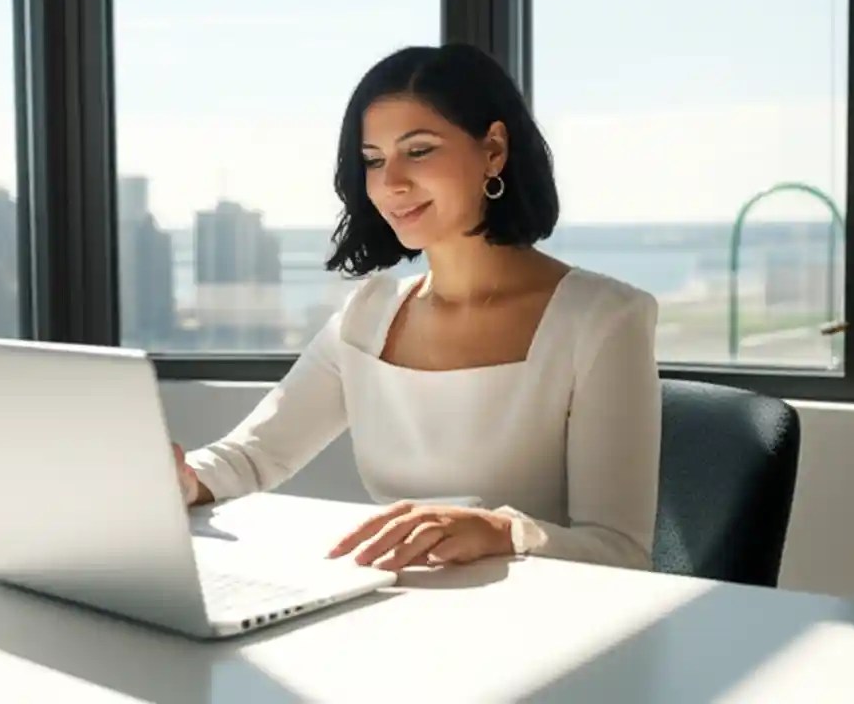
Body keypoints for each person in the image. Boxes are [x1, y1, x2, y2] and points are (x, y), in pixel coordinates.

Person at [173, 43, 660, 572]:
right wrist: (182, 481)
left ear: (493, 150)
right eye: (373, 160)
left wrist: (505, 531)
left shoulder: (605, 319)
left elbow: (621, 552)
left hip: (549, 626)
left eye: (420, 150)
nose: (392, 182)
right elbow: (249, 456)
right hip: (399, 610)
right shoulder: (368, 315)